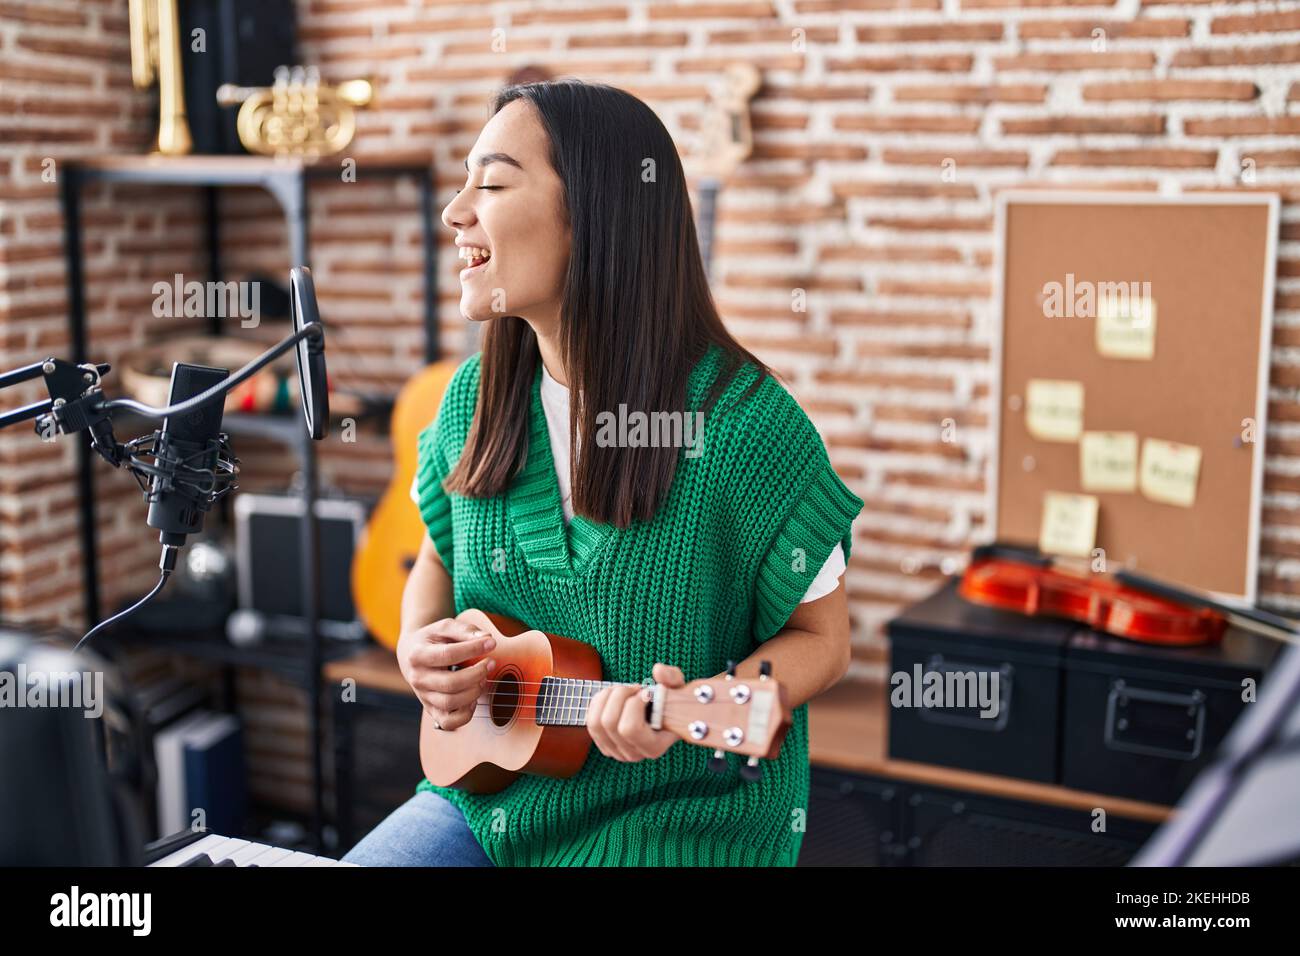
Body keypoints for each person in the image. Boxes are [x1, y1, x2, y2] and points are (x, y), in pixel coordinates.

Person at [343, 79, 862, 867]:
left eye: (491, 182)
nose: (454, 212)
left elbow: (824, 641)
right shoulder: (467, 405)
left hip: (678, 822)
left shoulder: (745, 427)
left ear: (592, 214)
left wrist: (690, 706)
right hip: (489, 804)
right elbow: (435, 566)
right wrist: (422, 651)